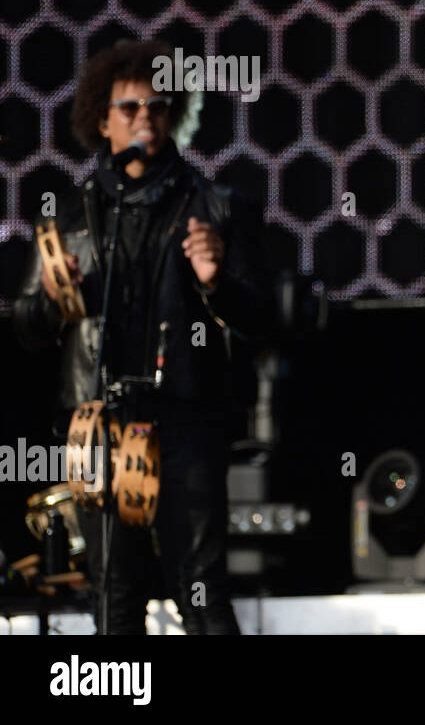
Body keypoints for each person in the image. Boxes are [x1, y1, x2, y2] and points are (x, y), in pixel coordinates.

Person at [13, 39, 269, 634]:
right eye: (129, 108)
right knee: (113, 596)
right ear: (101, 120)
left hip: (186, 420)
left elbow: (260, 319)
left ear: (174, 116)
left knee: (201, 589)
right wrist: (53, 304)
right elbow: (25, 327)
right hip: (99, 421)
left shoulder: (216, 207)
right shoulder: (69, 219)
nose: (144, 119)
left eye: (157, 107)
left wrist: (217, 283)